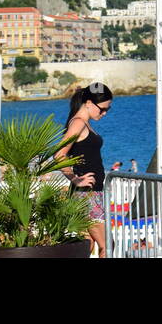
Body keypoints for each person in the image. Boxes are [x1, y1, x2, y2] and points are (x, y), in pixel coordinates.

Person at [55, 84, 113, 257]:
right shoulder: (79, 123)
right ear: (88, 103)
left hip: (88, 194)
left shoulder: (83, 123)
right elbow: (59, 155)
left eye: (107, 110)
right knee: (107, 246)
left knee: (86, 247)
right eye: (102, 109)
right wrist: (75, 179)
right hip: (86, 195)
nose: (104, 114)